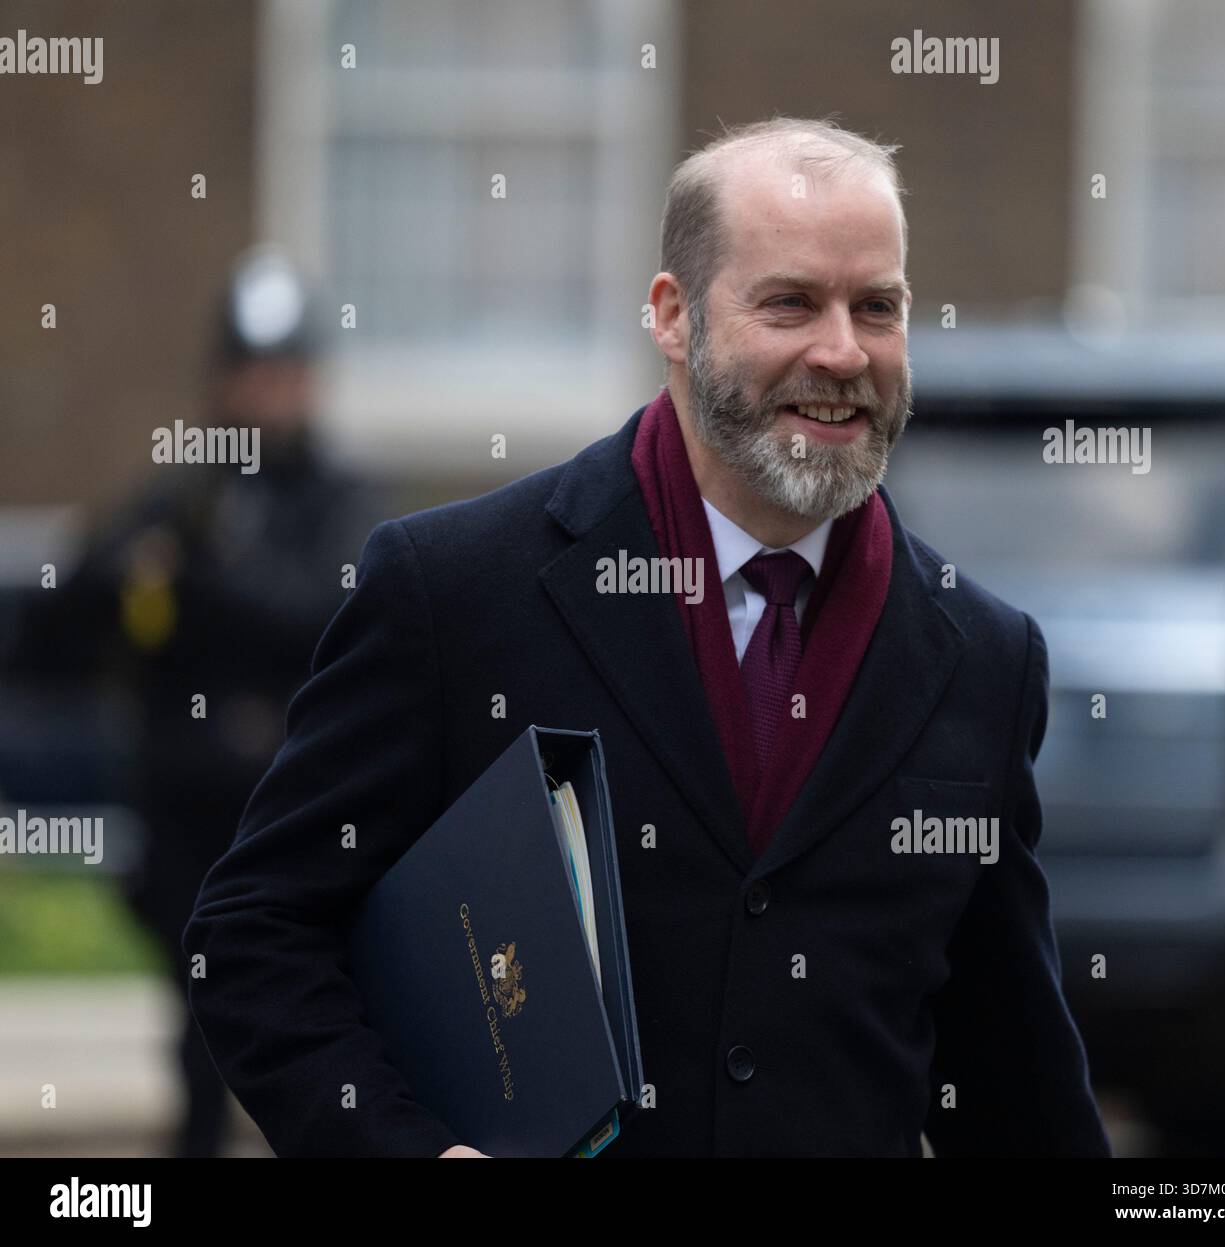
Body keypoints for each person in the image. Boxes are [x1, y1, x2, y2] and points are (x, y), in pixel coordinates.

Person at [184, 119, 1112, 1158]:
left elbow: (1014, 1073)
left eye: (878, 307)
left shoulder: (981, 658)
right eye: (790, 301)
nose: (844, 351)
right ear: (674, 317)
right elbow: (254, 937)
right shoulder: (453, 591)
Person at [13, 248, 382, 1156]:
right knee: (201, 1025)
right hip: (186, 823)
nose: (269, 396)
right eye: (253, 375)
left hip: (297, 815)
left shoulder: (344, 502)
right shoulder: (181, 498)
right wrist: (128, 577)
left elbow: (331, 617)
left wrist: (209, 584)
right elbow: (55, 632)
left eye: (286, 374)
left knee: (321, 1026)